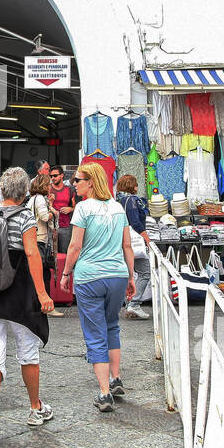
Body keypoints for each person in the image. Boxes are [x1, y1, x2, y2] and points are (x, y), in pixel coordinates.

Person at [0, 167, 55, 444]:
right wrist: (43, 294)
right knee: (28, 353)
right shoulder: (25, 216)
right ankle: (35, 408)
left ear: (2, 190)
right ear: (25, 193)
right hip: (20, 293)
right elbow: (32, 253)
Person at [60, 162, 135, 412]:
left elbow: (75, 246)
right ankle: (115, 378)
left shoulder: (82, 208)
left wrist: (66, 272)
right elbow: (127, 246)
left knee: (94, 334)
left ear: (91, 182)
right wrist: (131, 277)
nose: (75, 184)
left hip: (90, 276)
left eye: (78, 180)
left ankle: (104, 394)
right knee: (112, 325)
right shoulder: (117, 208)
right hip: (117, 275)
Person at [114, 174, 152, 318]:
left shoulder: (117, 201)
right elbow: (135, 222)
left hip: (120, 241)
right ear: (132, 186)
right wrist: (146, 238)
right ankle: (134, 304)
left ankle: (128, 303)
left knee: (126, 273)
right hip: (133, 241)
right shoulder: (132, 201)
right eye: (136, 184)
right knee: (144, 272)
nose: (137, 187)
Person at [28, 172, 59, 313]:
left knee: (40, 272)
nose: (50, 187)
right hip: (40, 239)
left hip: (36, 238)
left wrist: (50, 204)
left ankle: (40, 304)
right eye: (48, 184)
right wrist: (54, 212)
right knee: (43, 272)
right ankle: (45, 306)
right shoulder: (40, 199)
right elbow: (45, 217)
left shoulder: (33, 198)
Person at [49, 166, 77, 256]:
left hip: (65, 227)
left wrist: (71, 209)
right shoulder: (48, 189)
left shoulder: (69, 190)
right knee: (51, 256)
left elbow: (76, 207)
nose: (53, 178)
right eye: (51, 176)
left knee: (65, 254)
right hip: (51, 228)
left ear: (62, 175)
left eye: (55, 175)